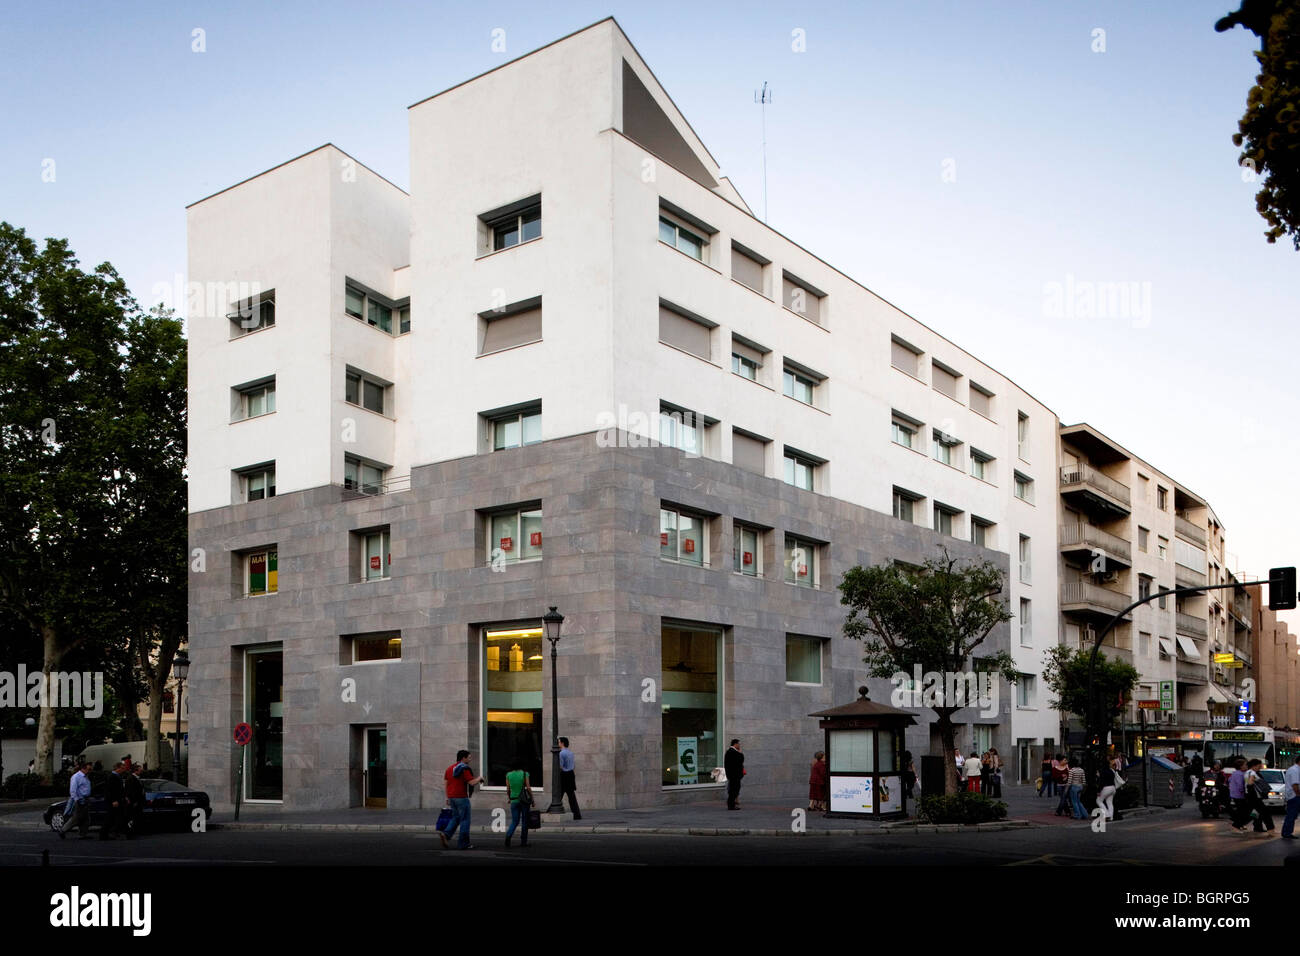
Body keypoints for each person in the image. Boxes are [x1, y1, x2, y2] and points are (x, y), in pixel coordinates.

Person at [439, 749, 483, 850]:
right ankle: (463, 843)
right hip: (461, 797)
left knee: (456, 818)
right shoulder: (464, 768)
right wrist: (480, 778)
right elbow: (471, 782)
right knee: (465, 820)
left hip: (452, 797)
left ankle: (446, 834)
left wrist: (448, 797)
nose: (470, 759)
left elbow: (446, 783)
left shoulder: (449, 768)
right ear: (464, 758)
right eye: (469, 757)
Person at [58, 760, 93, 840]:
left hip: (85, 799)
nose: (90, 770)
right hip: (80, 799)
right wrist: (77, 800)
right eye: (89, 769)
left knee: (86, 818)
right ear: (84, 768)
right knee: (76, 818)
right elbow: (73, 790)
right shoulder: (76, 777)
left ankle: (83, 834)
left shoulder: (85, 776)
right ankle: (63, 830)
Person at [503, 763, 531, 848]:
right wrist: (532, 799)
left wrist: (509, 798)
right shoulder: (524, 774)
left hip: (514, 800)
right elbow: (528, 787)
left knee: (514, 821)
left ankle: (508, 836)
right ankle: (523, 842)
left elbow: (508, 789)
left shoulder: (508, 774)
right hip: (524, 801)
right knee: (525, 821)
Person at [1245, 758, 1275, 835]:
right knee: (1265, 813)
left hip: (1252, 796)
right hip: (1254, 797)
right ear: (1254, 766)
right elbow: (1250, 783)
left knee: (1254, 813)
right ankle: (1270, 829)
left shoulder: (1249, 772)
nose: (1261, 767)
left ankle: (1258, 827)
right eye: (1259, 765)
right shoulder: (1252, 773)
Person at [100, 761, 128, 840]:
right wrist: (113, 800)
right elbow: (110, 790)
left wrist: (124, 797)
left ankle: (111, 833)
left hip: (118, 800)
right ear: (118, 768)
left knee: (116, 817)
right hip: (113, 801)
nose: (123, 770)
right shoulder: (112, 777)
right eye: (122, 768)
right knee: (110, 818)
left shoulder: (117, 776)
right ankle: (103, 835)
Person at [1228, 757, 1254, 833]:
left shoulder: (1235, 773)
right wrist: (1245, 792)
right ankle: (1236, 826)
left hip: (1235, 795)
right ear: (1240, 766)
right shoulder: (1239, 774)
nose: (1247, 766)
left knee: (1242, 811)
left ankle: (1239, 824)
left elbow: (1229, 780)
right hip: (1239, 796)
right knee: (1243, 812)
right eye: (1245, 765)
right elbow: (1240, 785)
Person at [557, 737, 581, 819]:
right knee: (571, 796)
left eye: (559, 742)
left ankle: (551, 810)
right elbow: (573, 765)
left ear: (562, 743)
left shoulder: (561, 753)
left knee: (558, 795)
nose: (558, 744)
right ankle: (577, 814)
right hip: (571, 774)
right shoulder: (571, 753)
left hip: (564, 775)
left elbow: (560, 766)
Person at [1281, 753, 1300, 839]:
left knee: (1292, 815)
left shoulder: (1294, 769)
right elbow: (1295, 784)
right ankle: (1286, 833)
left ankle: (1287, 832)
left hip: (1294, 796)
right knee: (1291, 815)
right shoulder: (1295, 770)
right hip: (1294, 796)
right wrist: (1298, 794)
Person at [724, 739, 744, 809]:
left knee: (734, 789)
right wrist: (740, 753)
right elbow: (740, 760)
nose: (739, 745)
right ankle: (731, 805)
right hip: (734, 775)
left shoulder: (730, 751)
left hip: (733, 775)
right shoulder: (732, 752)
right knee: (734, 790)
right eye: (738, 744)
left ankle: (732, 804)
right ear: (735, 744)